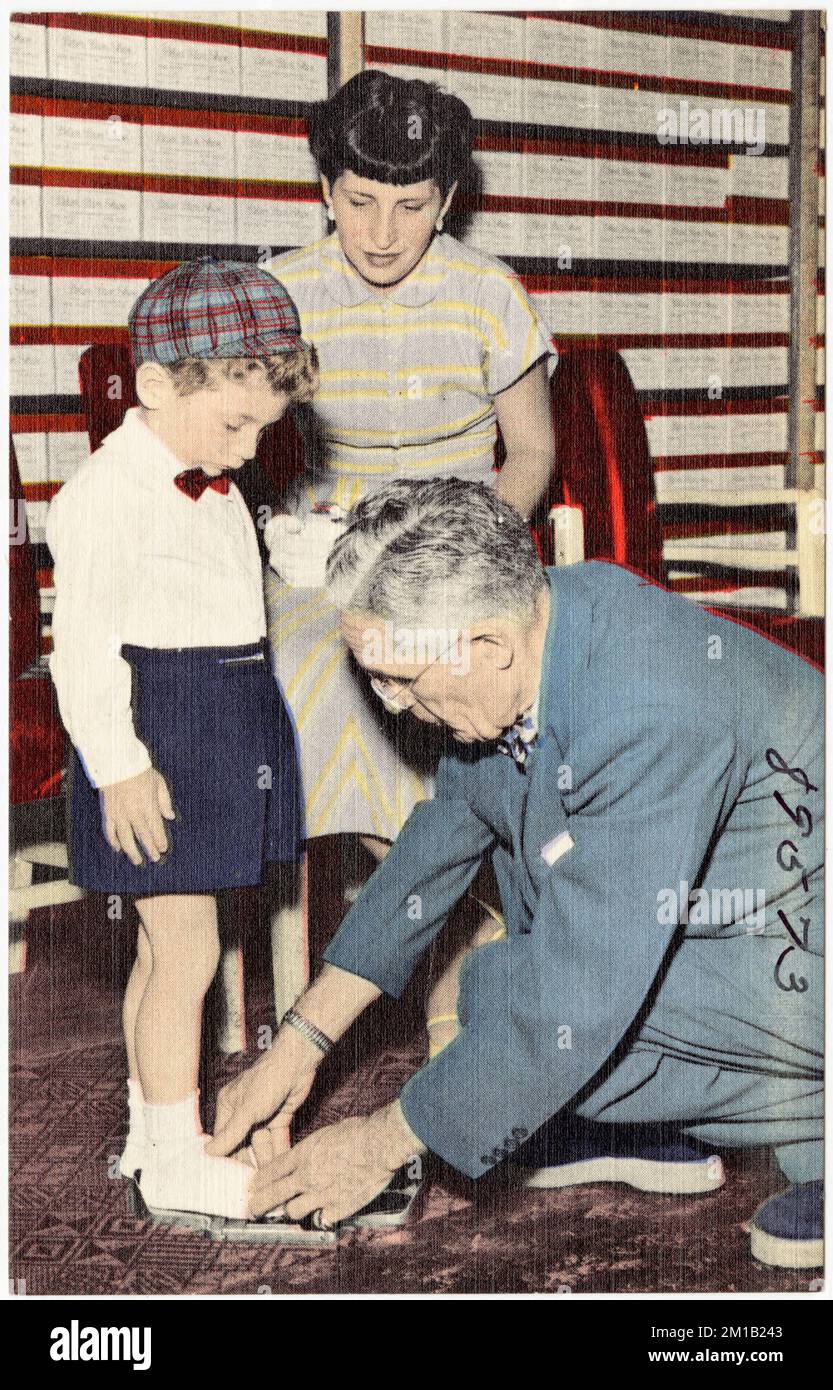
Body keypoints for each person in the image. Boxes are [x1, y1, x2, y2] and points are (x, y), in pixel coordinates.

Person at [208, 477, 823, 1271]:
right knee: (499, 998)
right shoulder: (537, 618)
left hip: (802, 948)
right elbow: (443, 839)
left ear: (487, 645)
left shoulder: (646, 709)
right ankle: (645, 1115)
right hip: (755, 928)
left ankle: (808, 1121)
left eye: (399, 678)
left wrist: (381, 1141)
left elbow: (580, 991)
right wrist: (298, 1042)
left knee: (543, 1015)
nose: (390, 705)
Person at [262, 68, 557, 1055]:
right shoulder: (282, 293)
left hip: (454, 557)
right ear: (323, 188)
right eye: (357, 202)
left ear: (449, 200)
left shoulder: (485, 293)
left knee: (425, 655)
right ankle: (460, 936)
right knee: (344, 664)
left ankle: (453, 948)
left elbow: (533, 454)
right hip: (315, 570)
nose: (381, 232)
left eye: (411, 206)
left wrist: (463, 549)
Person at [47, 257, 317, 1221]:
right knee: (186, 951)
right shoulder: (104, 492)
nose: (247, 451)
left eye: (262, 429)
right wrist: (118, 768)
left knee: (165, 955)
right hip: (160, 736)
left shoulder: (206, 475)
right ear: (158, 386)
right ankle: (173, 1155)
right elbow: (79, 648)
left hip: (217, 718)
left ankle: (148, 1134)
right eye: (235, 424)